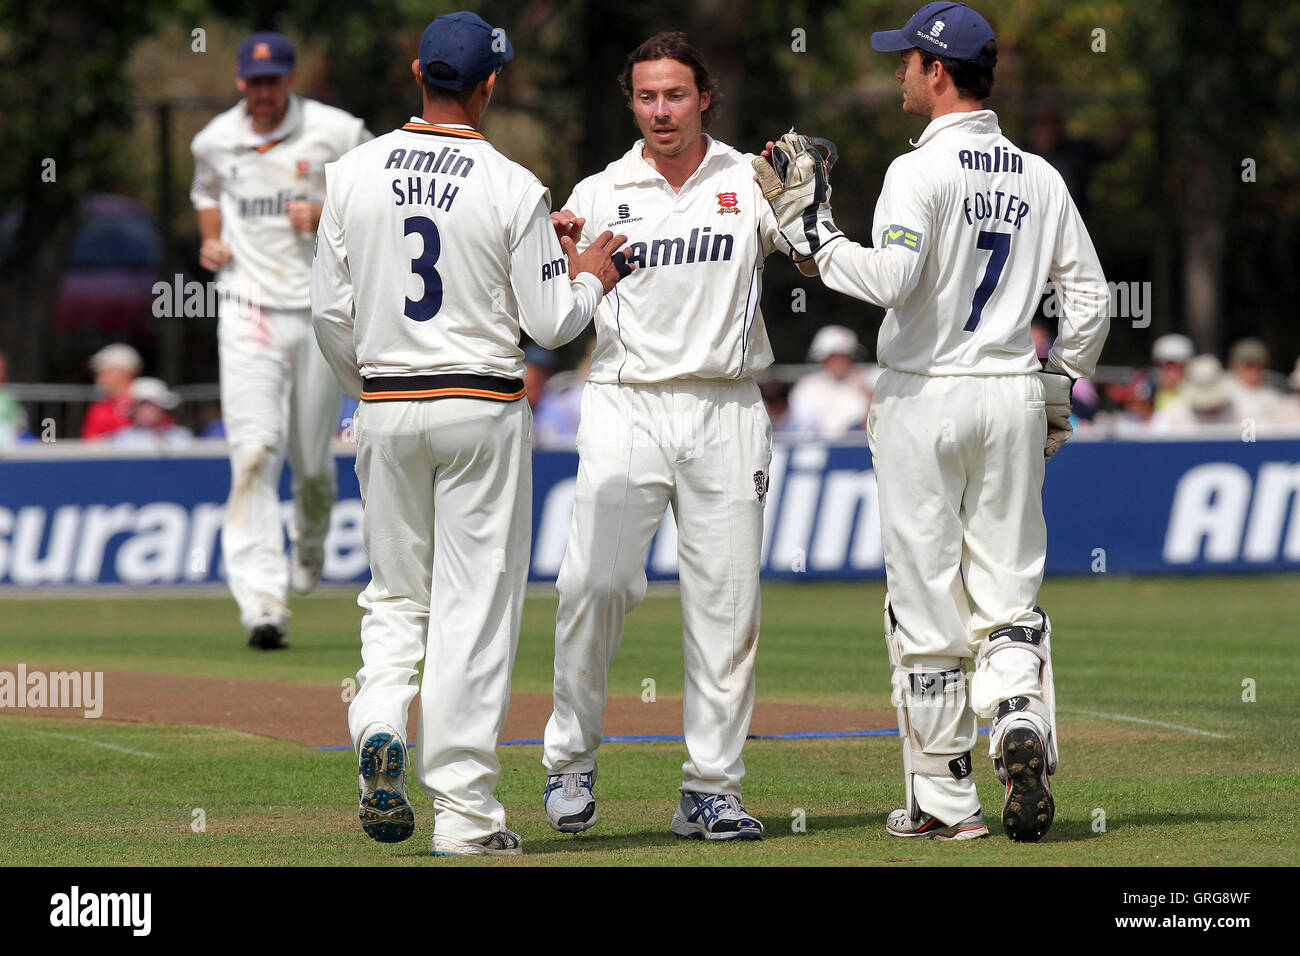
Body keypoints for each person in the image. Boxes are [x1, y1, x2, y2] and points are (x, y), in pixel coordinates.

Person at [758, 1, 1110, 842]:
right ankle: (1018, 709)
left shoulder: (919, 171)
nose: (896, 73)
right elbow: (1090, 299)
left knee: (923, 606)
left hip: (924, 393)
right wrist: (1061, 383)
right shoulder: (1040, 175)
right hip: (1012, 391)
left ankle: (947, 802)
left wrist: (811, 233)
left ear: (938, 72)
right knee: (1008, 594)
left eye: (906, 61)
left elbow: (891, 281)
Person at [311, 11, 629, 858]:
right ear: (490, 84)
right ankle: (466, 817)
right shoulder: (510, 182)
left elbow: (328, 315)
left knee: (394, 595)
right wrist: (591, 272)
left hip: (387, 405)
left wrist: (374, 388)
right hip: (481, 403)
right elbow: (554, 321)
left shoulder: (349, 173)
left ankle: (379, 719)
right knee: (473, 612)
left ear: (419, 70)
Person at [541, 31, 804, 843]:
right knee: (597, 585)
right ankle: (569, 761)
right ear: (633, 103)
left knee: (727, 608)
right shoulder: (600, 188)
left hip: (726, 404)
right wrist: (557, 259)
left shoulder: (747, 182)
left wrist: (802, 193)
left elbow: (811, 252)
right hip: (626, 402)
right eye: (647, 97)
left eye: (676, 95)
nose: (662, 111)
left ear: (704, 99)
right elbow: (555, 311)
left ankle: (711, 789)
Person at [190, 31, 372, 650]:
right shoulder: (214, 139)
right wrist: (211, 240)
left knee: (314, 467)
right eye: (253, 81)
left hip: (318, 311)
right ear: (241, 81)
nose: (263, 92)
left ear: (290, 79)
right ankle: (263, 603)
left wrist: (324, 214)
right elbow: (206, 191)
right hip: (247, 309)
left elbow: (380, 201)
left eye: (274, 81)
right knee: (255, 452)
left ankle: (311, 550)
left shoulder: (339, 131)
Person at [788, 325, 874, 438]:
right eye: (834, 356)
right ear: (821, 357)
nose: (840, 362)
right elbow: (799, 426)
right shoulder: (807, 386)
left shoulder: (866, 384)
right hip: (816, 449)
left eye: (844, 356)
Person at [81, 343, 142, 440]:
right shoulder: (100, 408)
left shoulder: (148, 402)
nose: (99, 376)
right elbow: (90, 444)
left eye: (105, 370)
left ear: (124, 372)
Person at [112, 378, 195, 448]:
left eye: (152, 405)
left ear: (162, 408)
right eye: (142, 406)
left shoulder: (182, 436)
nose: (147, 411)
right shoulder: (122, 439)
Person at [1226, 337, 1287, 425]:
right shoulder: (1224, 393)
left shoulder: (1273, 395)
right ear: (1233, 365)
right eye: (1247, 365)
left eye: (1257, 365)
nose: (1252, 370)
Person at [1151, 333, 1194, 411]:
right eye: (1167, 368)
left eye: (1177, 368)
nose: (1171, 374)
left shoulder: (1197, 397)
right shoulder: (1148, 396)